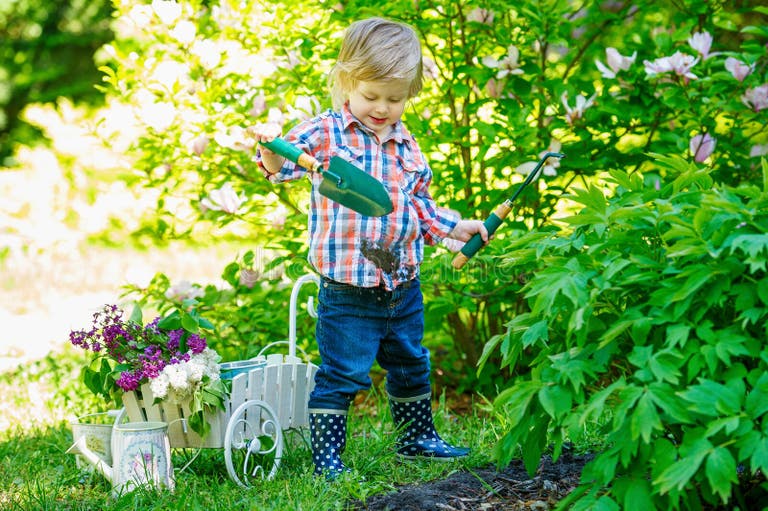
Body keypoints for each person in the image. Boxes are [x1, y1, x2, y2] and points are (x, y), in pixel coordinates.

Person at [249, 17, 488, 479]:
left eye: (395, 98)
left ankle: (416, 438)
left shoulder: (407, 146)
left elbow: (420, 207)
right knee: (343, 373)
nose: (382, 107)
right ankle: (328, 458)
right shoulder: (326, 134)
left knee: (411, 364)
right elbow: (280, 168)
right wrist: (272, 150)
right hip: (348, 290)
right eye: (371, 95)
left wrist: (457, 230)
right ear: (346, 81)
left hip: (402, 284)